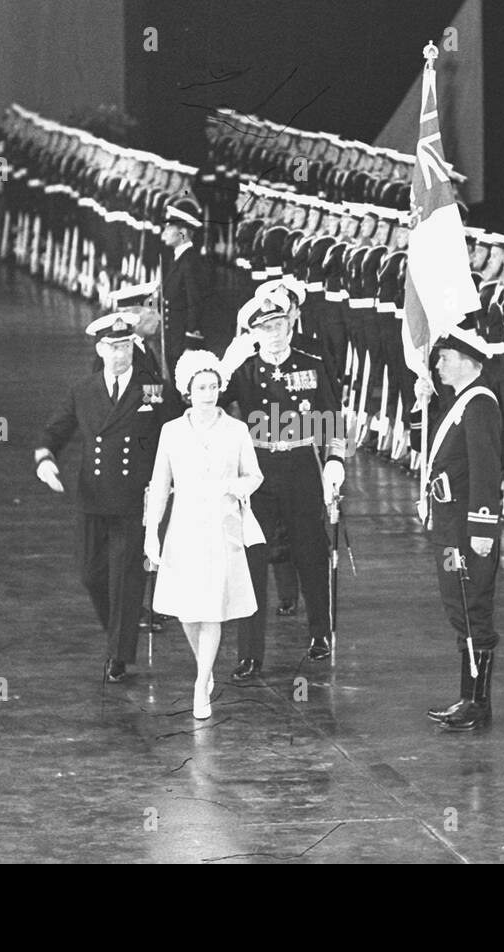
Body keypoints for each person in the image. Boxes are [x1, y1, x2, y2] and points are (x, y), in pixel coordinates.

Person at [35, 312, 180, 682]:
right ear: (100, 349)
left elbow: (175, 429)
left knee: (126, 579)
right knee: (90, 574)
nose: (120, 354)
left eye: (126, 346)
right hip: (93, 496)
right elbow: (56, 429)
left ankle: (118, 654)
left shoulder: (153, 387)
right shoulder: (84, 390)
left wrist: (173, 477)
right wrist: (45, 459)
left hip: (134, 497)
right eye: (113, 347)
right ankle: (116, 631)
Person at [220, 289, 347, 676]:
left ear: (290, 325)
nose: (274, 334)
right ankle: (249, 652)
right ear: (254, 332)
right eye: (266, 327)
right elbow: (210, 405)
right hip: (258, 469)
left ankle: (320, 632)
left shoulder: (311, 363)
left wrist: (336, 460)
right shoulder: (244, 370)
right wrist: (226, 365)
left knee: (310, 551)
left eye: (279, 325)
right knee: (254, 558)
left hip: (301, 465)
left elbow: (332, 416)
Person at [144, 351, 264, 720]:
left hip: (222, 528)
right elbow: (161, 484)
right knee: (186, 612)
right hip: (183, 529)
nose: (209, 394)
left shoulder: (237, 430)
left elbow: (254, 475)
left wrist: (236, 486)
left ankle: (200, 686)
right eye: (201, 387)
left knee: (212, 610)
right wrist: (152, 532)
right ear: (187, 390)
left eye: (213, 386)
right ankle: (205, 667)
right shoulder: (172, 431)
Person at [419, 326, 504, 732]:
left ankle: (477, 701)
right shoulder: (460, 402)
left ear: (469, 361)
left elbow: (486, 469)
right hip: (450, 524)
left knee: (472, 608)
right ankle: (468, 696)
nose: (438, 365)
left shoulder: (480, 404)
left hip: (467, 529)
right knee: (459, 606)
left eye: (445, 358)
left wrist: (483, 527)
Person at [161, 198, 211, 370]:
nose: (164, 233)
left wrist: (191, 343)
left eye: (168, 228)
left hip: (183, 344)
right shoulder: (177, 259)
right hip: (173, 340)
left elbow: (195, 303)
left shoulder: (190, 263)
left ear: (182, 233)